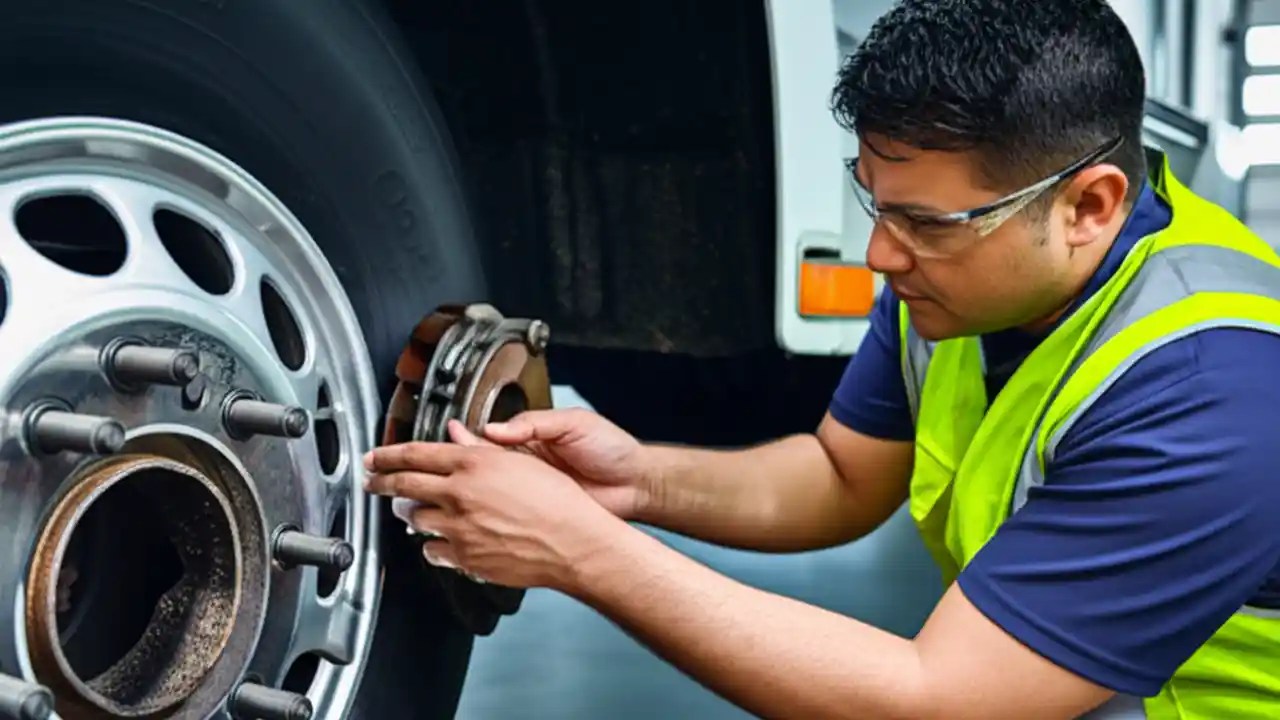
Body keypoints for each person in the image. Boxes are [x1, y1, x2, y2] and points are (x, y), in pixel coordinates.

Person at [364, 0, 1280, 717]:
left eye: (924, 222)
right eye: (875, 202)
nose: (880, 255)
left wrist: (582, 553)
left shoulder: (1216, 394)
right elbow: (841, 475)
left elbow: (938, 699)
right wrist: (635, 482)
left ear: (1090, 206)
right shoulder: (974, 278)